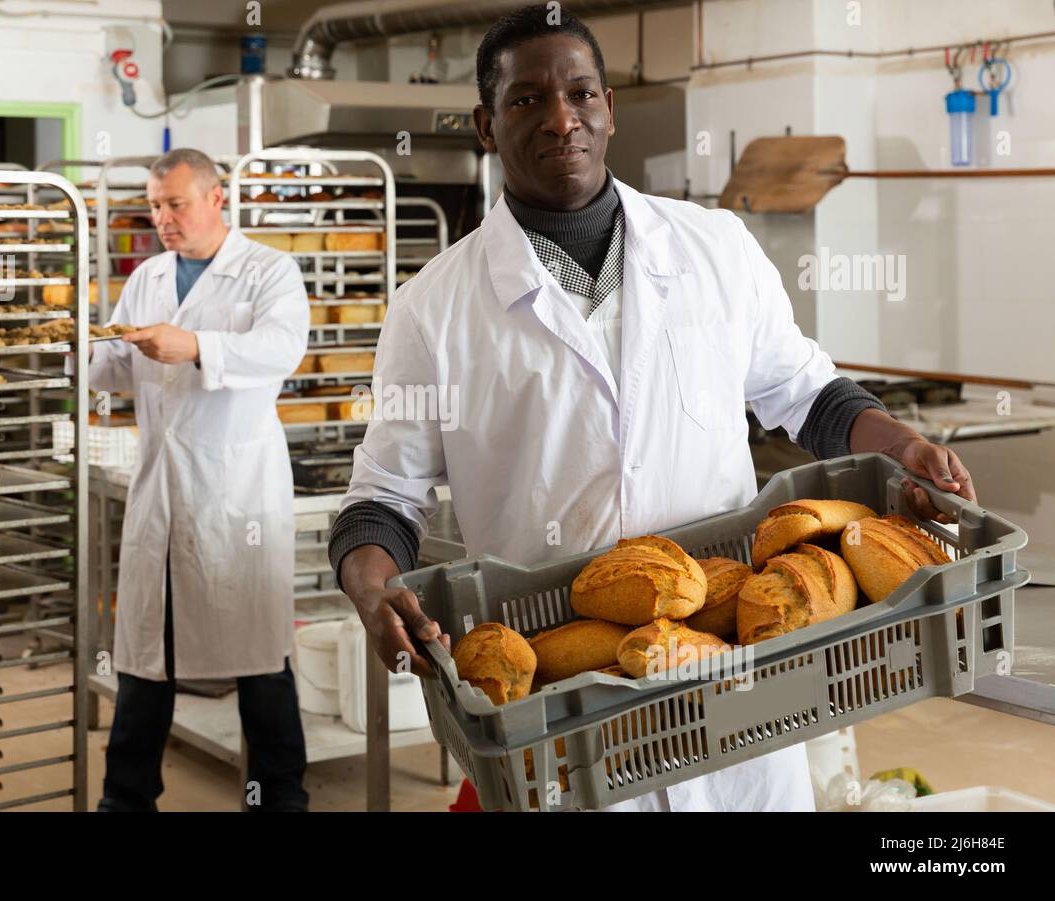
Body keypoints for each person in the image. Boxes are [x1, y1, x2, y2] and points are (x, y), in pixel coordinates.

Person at [328, 7, 976, 812]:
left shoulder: (714, 247)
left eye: (581, 92)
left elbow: (806, 392)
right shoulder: (433, 309)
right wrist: (369, 585)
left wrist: (904, 444)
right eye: (527, 100)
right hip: (566, 693)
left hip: (736, 672)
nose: (561, 119)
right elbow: (384, 498)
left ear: (608, 106)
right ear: (486, 127)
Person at [89, 148, 310, 811]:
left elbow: (282, 349)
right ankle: (125, 799)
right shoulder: (150, 275)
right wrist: (77, 346)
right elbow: (113, 370)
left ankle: (280, 800)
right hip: (161, 489)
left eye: (175, 204)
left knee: (260, 661)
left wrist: (198, 346)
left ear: (217, 198)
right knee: (144, 655)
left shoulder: (268, 270)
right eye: (155, 205)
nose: (163, 218)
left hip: (235, 492)